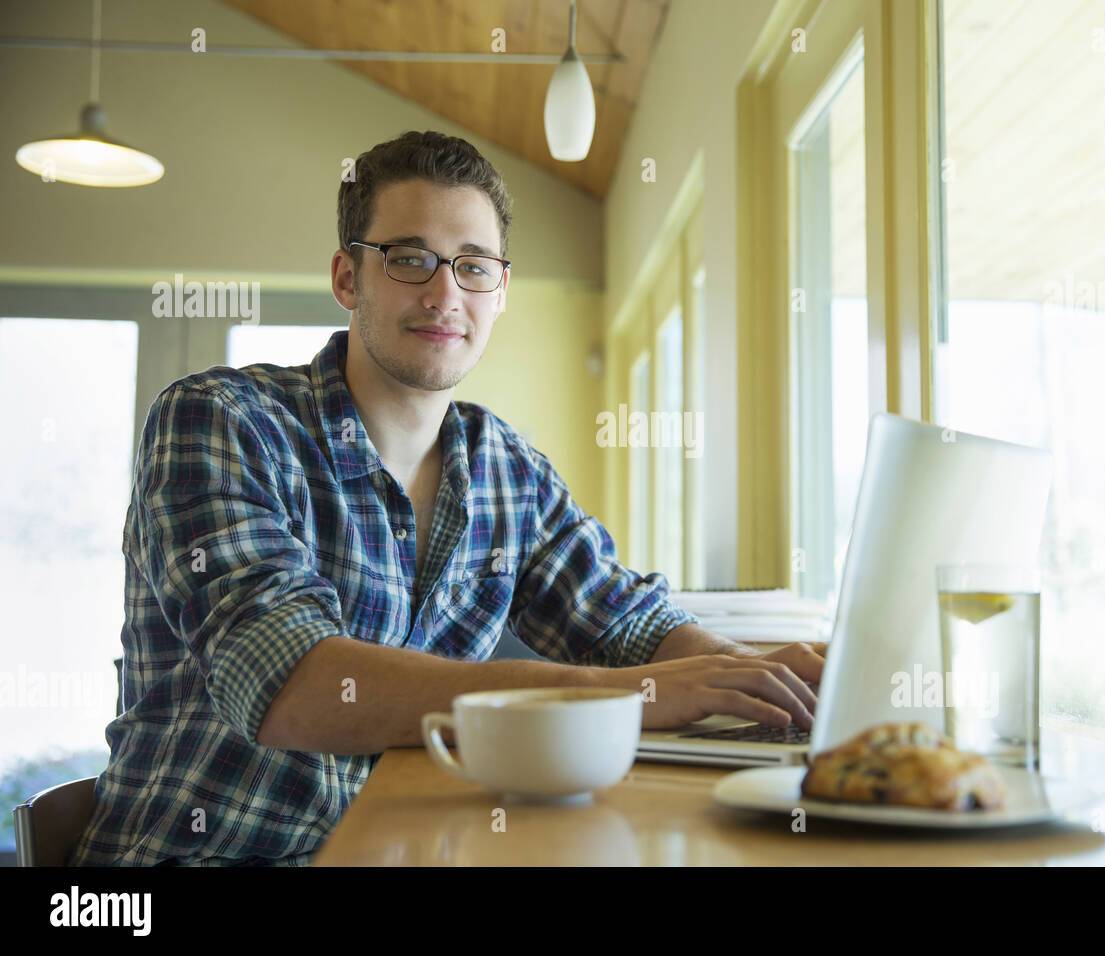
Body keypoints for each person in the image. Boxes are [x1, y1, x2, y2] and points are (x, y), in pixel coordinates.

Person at [68, 130, 825, 866]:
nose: (443, 293)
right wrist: (631, 695)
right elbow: (290, 686)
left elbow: (629, 623)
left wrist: (756, 677)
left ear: (499, 291)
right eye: (409, 260)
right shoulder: (222, 421)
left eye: (472, 266)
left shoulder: (508, 469)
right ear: (346, 278)